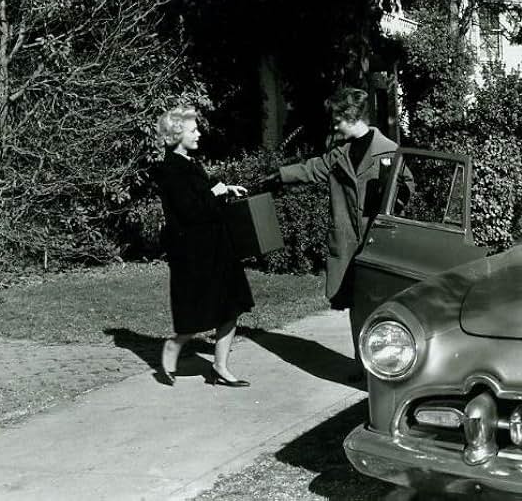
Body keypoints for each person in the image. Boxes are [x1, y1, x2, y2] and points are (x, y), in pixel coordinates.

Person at [260, 87, 412, 382]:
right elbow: (312, 169)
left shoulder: (389, 149)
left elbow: (406, 187)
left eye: (336, 119)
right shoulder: (339, 153)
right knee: (355, 303)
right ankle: (362, 361)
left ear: (348, 116)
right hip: (346, 240)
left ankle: (388, 361)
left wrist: (393, 197)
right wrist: (280, 176)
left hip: (378, 240)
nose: (333, 125)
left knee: (380, 302)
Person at [154, 106, 254, 387]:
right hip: (193, 254)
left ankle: (220, 367)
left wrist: (226, 188)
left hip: (217, 248)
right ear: (176, 134)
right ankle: (173, 346)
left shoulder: (190, 163)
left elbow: (205, 193)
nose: (198, 133)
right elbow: (190, 211)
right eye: (193, 130)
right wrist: (214, 193)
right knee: (196, 314)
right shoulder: (170, 170)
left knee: (231, 307)